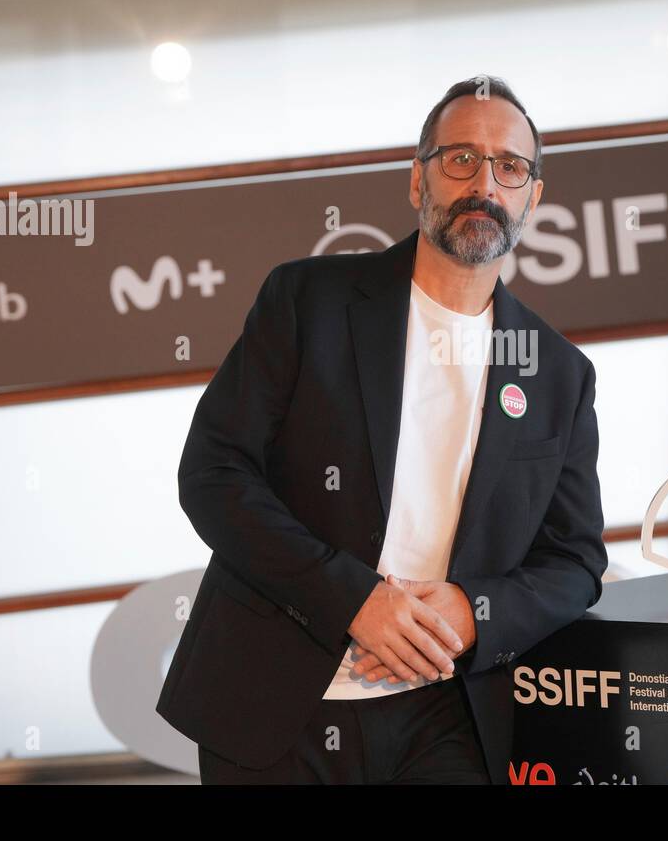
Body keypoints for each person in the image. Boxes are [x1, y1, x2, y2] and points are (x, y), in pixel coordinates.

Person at [156, 75, 608, 784]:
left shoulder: (558, 373)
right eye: (460, 159)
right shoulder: (309, 302)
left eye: (509, 166)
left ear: (533, 196)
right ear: (417, 179)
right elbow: (214, 475)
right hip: (278, 707)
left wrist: (474, 611)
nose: (483, 183)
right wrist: (354, 600)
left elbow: (576, 562)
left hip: (447, 715)